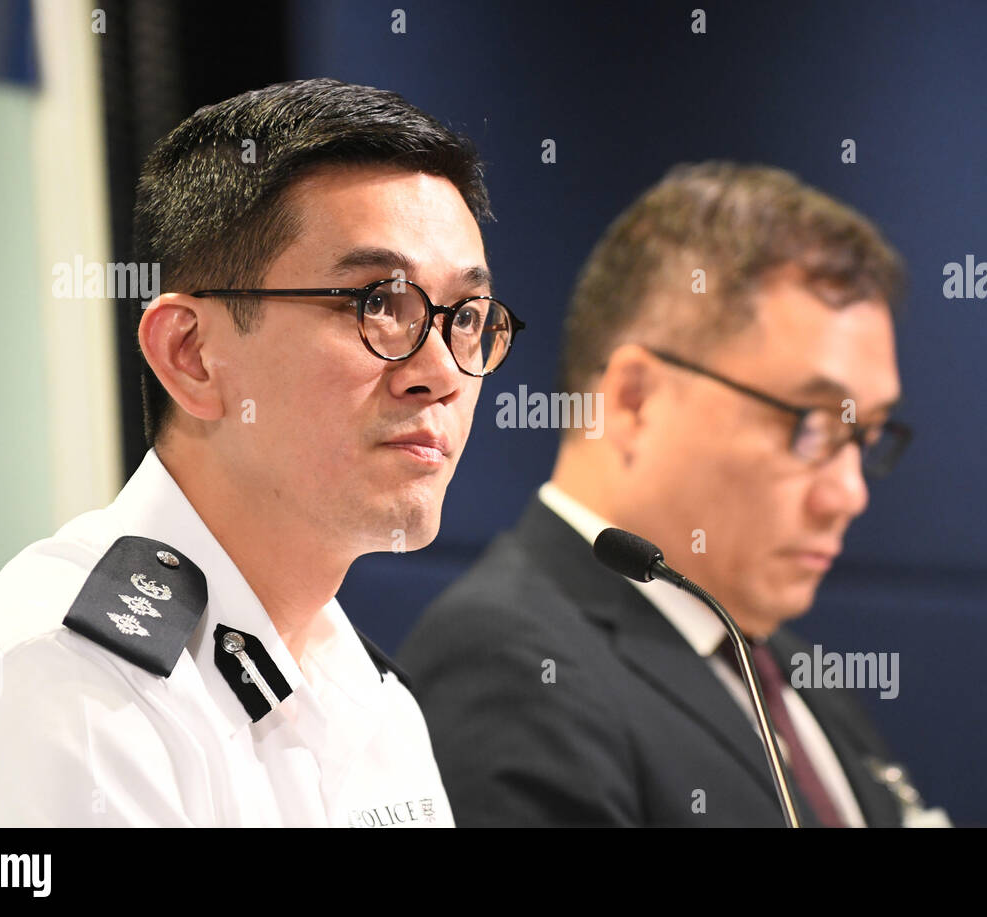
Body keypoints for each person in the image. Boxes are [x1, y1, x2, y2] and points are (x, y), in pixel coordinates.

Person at [0, 78, 524, 827]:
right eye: (376, 303)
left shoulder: (374, 696)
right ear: (191, 353)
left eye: (465, 315)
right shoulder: (66, 687)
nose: (439, 372)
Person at [399, 162, 948, 827]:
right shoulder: (510, 661)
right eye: (811, 424)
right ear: (635, 401)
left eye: (867, 434)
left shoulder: (783, 661)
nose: (849, 494)